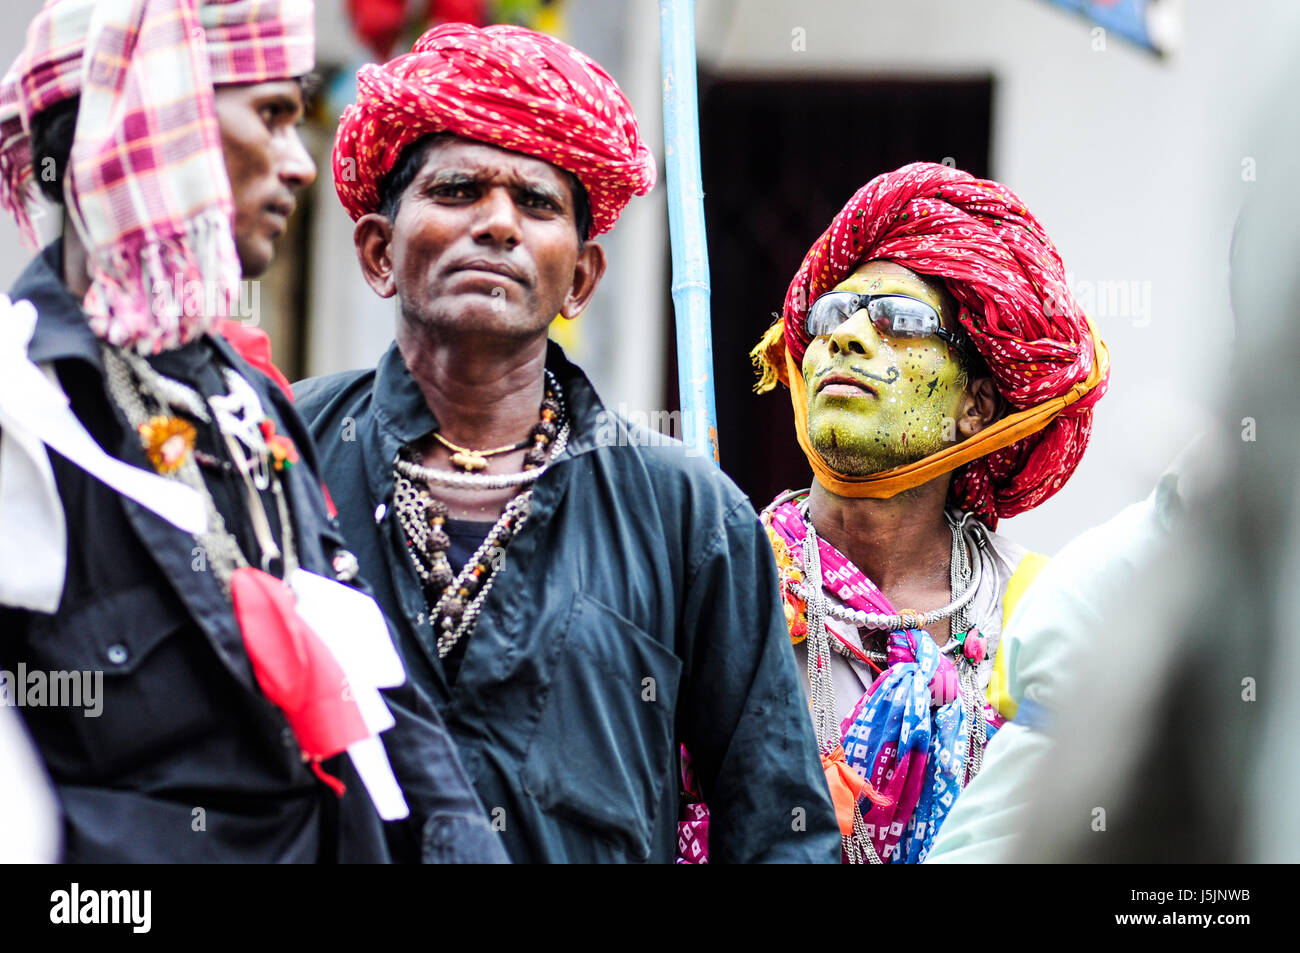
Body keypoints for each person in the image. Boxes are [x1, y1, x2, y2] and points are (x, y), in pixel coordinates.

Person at [294, 23, 840, 864]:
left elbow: (778, 829)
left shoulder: (687, 514)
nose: (499, 223)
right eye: (458, 190)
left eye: (537, 203)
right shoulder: (276, 453)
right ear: (377, 251)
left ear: (581, 277)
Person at [0, 0, 503, 863]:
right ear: (152, 116)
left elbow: (384, 707)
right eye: (271, 115)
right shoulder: (22, 404)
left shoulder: (244, 401)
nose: (298, 165)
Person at [748, 162, 1109, 863]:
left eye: (900, 321)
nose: (846, 337)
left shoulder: (1038, 608)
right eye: (830, 316)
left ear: (975, 407)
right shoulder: (721, 579)